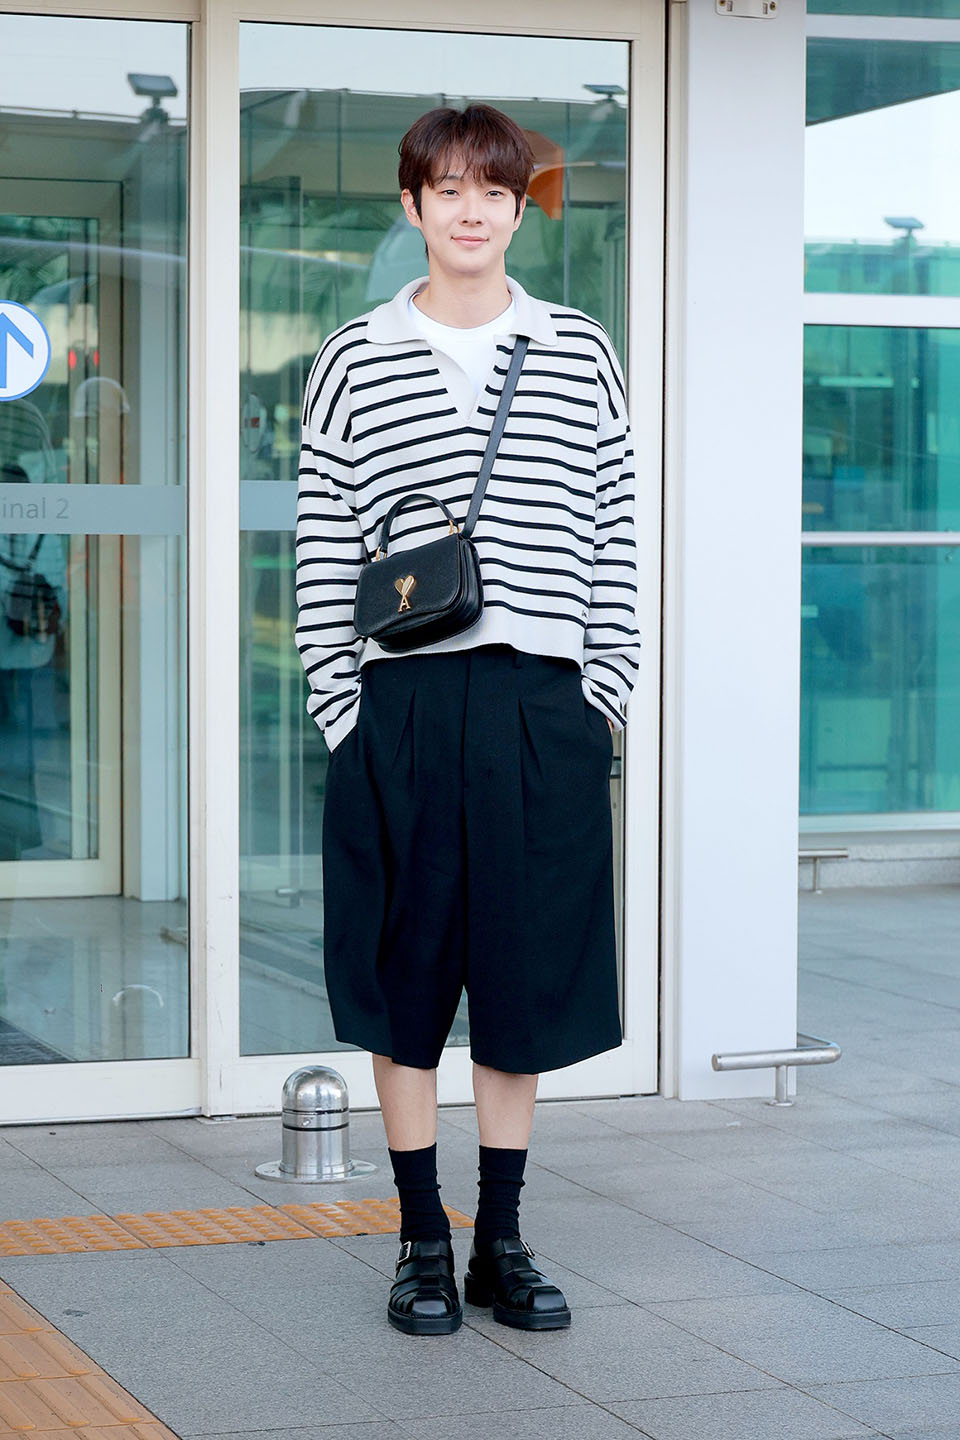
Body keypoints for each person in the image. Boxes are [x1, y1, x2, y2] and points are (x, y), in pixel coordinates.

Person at [296, 103, 640, 1336]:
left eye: (492, 190)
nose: (471, 209)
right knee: (404, 982)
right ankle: (420, 1242)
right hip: (402, 705)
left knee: (521, 978)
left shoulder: (577, 348)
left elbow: (613, 531)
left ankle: (501, 1237)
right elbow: (325, 541)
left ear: (518, 207)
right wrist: (345, 713)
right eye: (446, 189)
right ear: (413, 208)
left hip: (539, 704)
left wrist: (600, 696)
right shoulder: (353, 355)